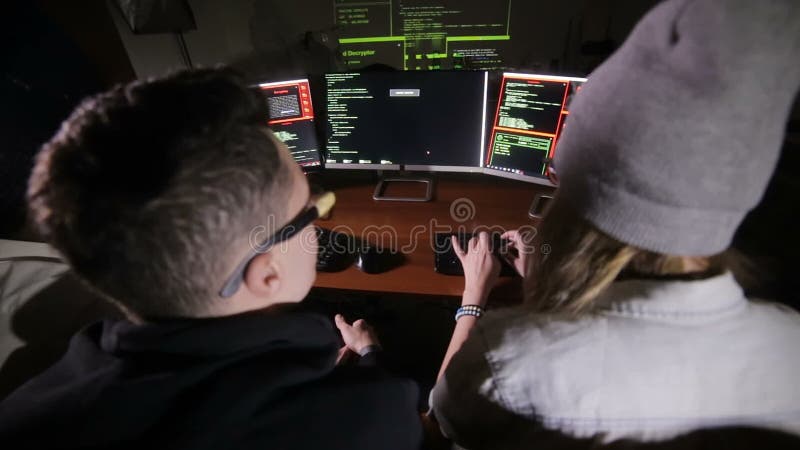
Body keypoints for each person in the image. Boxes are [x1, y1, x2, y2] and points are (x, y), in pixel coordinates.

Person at [429, 0, 800, 448]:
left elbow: (437, 421)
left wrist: (475, 297)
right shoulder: (790, 344)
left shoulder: (504, 359)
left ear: (576, 203)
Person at [0, 68, 422, 449]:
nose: (319, 215)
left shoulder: (27, 412)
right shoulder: (365, 418)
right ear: (266, 274)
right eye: (312, 209)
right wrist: (371, 356)